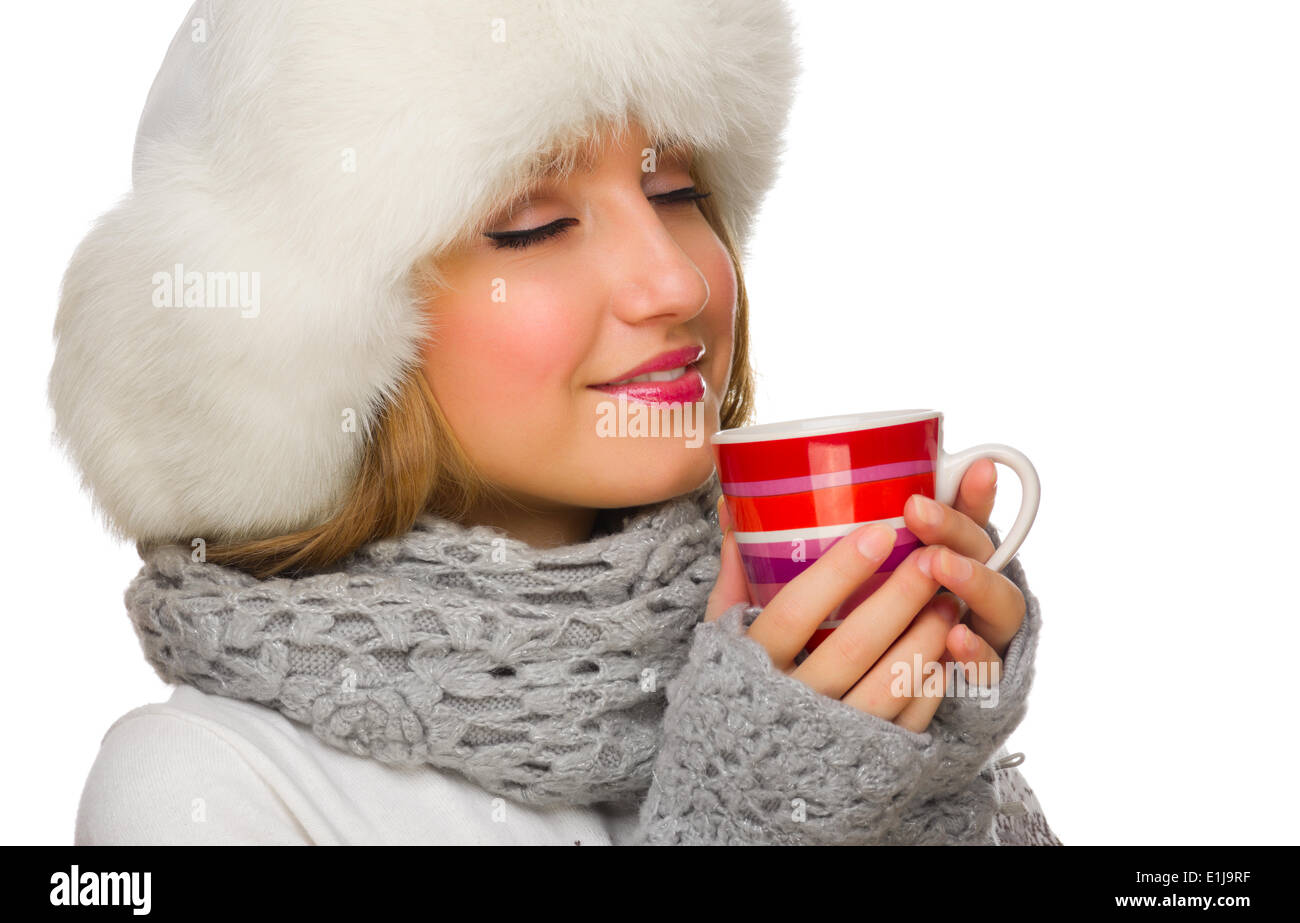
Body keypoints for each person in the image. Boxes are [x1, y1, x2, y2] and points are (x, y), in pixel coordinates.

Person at [49, 0, 1060, 845]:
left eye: (676, 189)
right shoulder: (198, 785)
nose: (673, 280)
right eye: (534, 224)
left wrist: (924, 787)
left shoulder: (795, 667)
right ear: (318, 340)